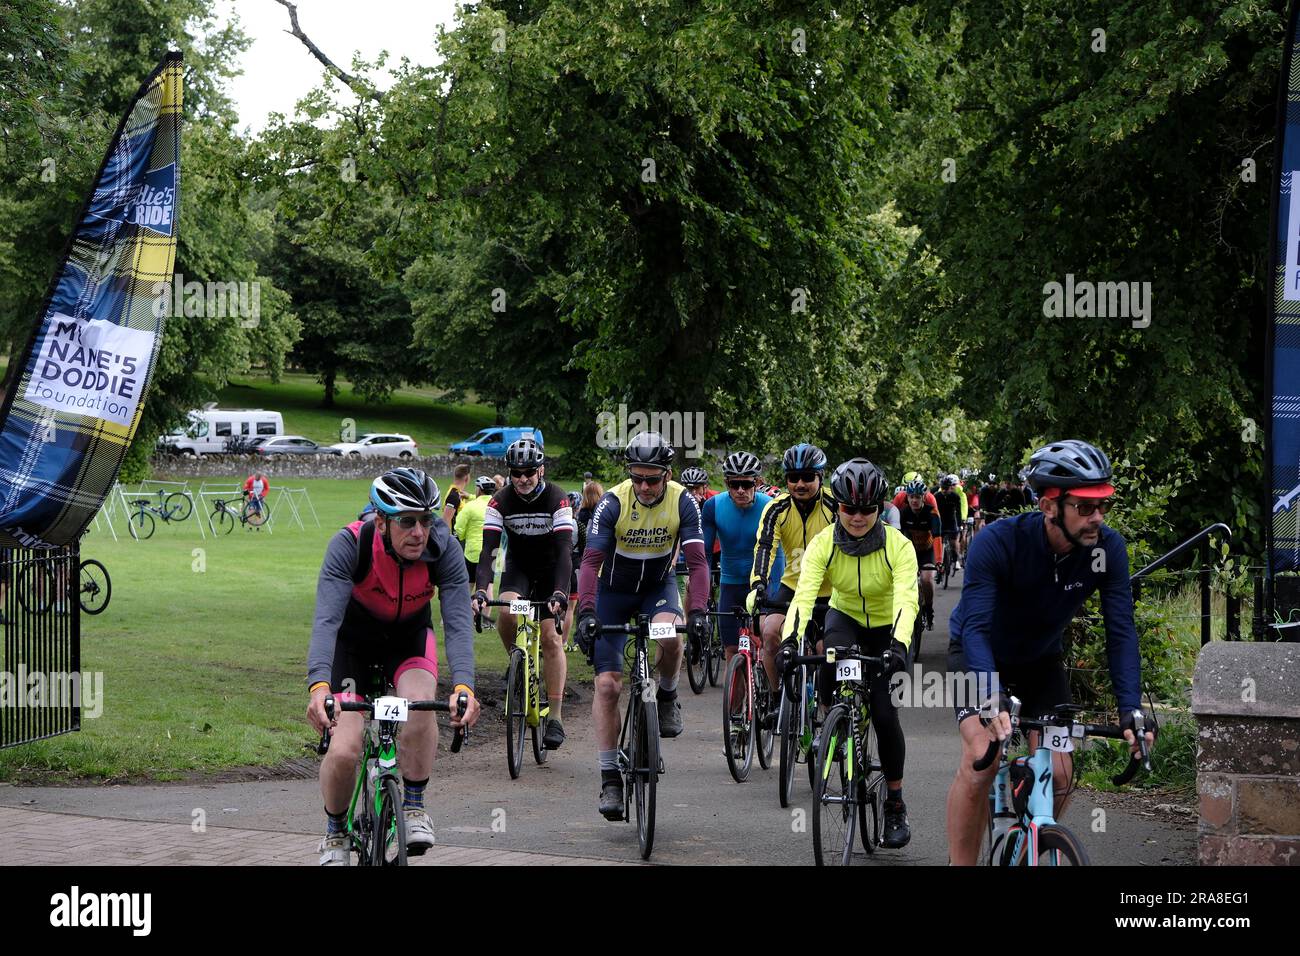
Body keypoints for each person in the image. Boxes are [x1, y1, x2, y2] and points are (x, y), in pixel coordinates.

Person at [944, 440, 1155, 865]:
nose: (1097, 517)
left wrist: (1129, 708)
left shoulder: (1106, 550)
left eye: (1103, 506)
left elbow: (1120, 631)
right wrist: (990, 694)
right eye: (1085, 506)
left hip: (1041, 660)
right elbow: (977, 629)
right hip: (978, 655)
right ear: (1048, 506)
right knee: (982, 758)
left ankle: (1034, 844)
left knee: (1060, 773)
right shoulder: (998, 543)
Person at [306, 468, 480, 865]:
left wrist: (465, 686)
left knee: (420, 704)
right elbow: (326, 622)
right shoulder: (350, 545)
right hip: (351, 646)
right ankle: (335, 833)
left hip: (408, 641)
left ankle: (414, 805)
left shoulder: (445, 549)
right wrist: (318, 687)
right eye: (407, 522)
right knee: (347, 747)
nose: (419, 532)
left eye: (427, 519)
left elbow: (456, 622)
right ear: (381, 521)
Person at [781, 458, 918, 847]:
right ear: (837, 506)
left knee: (885, 713)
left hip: (886, 628)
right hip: (846, 616)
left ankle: (894, 802)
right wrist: (790, 641)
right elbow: (804, 596)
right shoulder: (824, 543)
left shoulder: (899, 546)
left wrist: (899, 645)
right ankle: (831, 720)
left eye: (867, 510)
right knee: (829, 657)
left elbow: (908, 600)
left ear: (879, 509)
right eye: (848, 509)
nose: (857, 517)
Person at [574, 432, 710, 820]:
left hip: (657, 588)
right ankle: (610, 778)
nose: (645, 487)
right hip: (613, 593)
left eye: (653, 479)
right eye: (638, 478)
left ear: (667, 475)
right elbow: (589, 563)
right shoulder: (614, 502)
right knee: (607, 685)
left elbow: (698, 565)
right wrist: (586, 612)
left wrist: (698, 611)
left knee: (672, 635)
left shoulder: (683, 501)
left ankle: (666, 696)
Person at [470, 438, 575, 750]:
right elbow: (488, 553)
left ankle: (555, 716)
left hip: (552, 568)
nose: (523, 478)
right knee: (506, 612)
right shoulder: (499, 502)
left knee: (551, 637)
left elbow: (565, 553)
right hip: (519, 567)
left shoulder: (558, 500)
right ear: (510, 473)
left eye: (530, 472)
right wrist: (480, 592)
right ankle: (517, 662)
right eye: (517, 473)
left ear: (541, 470)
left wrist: (559, 593)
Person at [746, 443, 838, 688]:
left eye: (807, 477)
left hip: (830, 591)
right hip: (793, 587)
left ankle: (828, 711)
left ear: (820, 477)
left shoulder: (835, 505)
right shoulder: (777, 509)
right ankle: (777, 698)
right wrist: (759, 584)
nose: (800, 484)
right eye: (793, 478)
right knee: (770, 633)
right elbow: (765, 547)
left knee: (826, 650)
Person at [701, 452, 774, 675]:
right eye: (734, 484)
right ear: (727, 484)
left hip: (762, 583)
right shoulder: (713, 506)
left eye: (746, 484)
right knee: (732, 649)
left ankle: (771, 697)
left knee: (768, 642)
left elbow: (777, 554)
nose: (740, 490)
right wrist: (702, 590)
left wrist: (774, 590)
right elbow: (703, 554)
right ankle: (735, 708)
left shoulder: (769, 506)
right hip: (730, 584)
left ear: (757, 483)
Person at [898, 476, 942, 630]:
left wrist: (939, 561)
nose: (914, 500)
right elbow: (896, 537)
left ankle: (929, 610)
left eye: (917, 497)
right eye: (911, 497)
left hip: (927, 551)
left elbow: (937, 538)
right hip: (910, 551)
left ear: (924, 498)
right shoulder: (903, 513)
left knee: (926, 579)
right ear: (907, 498)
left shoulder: (932, 512)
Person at [454, 475, 498, 588]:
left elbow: (458, 527)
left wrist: (463, 537)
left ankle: (467, 606)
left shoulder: (470, 506)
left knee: (469, 586)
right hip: (495, 551)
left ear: (479, 489)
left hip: (474, 551)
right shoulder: (498, 505)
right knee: (489, 587)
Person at [442, 463, 472, 528]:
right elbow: (445, 521)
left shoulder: (458, 493)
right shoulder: (454, 495)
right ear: (466, 477)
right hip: (453, 537)